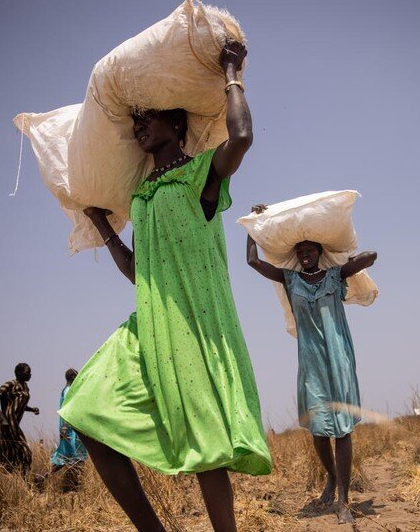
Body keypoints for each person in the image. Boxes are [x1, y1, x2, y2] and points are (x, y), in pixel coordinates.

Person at [59, 40, 272, 532]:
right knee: (83, 408)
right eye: (135, 120)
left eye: (147, 116)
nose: (139, 125)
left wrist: (232, 71)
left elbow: (241, 137)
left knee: (207, 447)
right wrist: (104, 225)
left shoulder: (200, 175)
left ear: (176, 123)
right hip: (150, 325)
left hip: (196, 323)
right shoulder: (141, 197)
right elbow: (140, 271)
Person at [246, 216, 377, 524]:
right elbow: (252, 261)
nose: (304, 253)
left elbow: (371, 256)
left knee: (342, 429)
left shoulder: (335, 275)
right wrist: (252, 226)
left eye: (310, 249)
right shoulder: (289, 279)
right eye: (300, 250)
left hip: (339, 357)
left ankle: (344, 501)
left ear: (319, 252)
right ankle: (331, 475)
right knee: (319, 430)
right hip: (311, 361)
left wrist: (345, 260)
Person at [0, 363, 39, 477]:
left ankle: (25, 480)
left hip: (14, 425)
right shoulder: (9, 384)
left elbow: (19, 404)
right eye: (27, 372)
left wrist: (32, 409)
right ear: (18, 373)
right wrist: (3, 418)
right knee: (16, 452)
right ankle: (27, 480)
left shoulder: (25, 387)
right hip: (5, 425)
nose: (30, 374)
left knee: (17, 454)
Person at [47, 369, 88, 492]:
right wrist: (65, 428)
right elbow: (68, 410)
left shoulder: (65, 390)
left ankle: (44, 477)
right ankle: (72, 487)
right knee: (75, 457)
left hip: (68, 428)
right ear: (73, 377)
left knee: (67, 457)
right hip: (70, 430)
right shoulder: (69, 391)